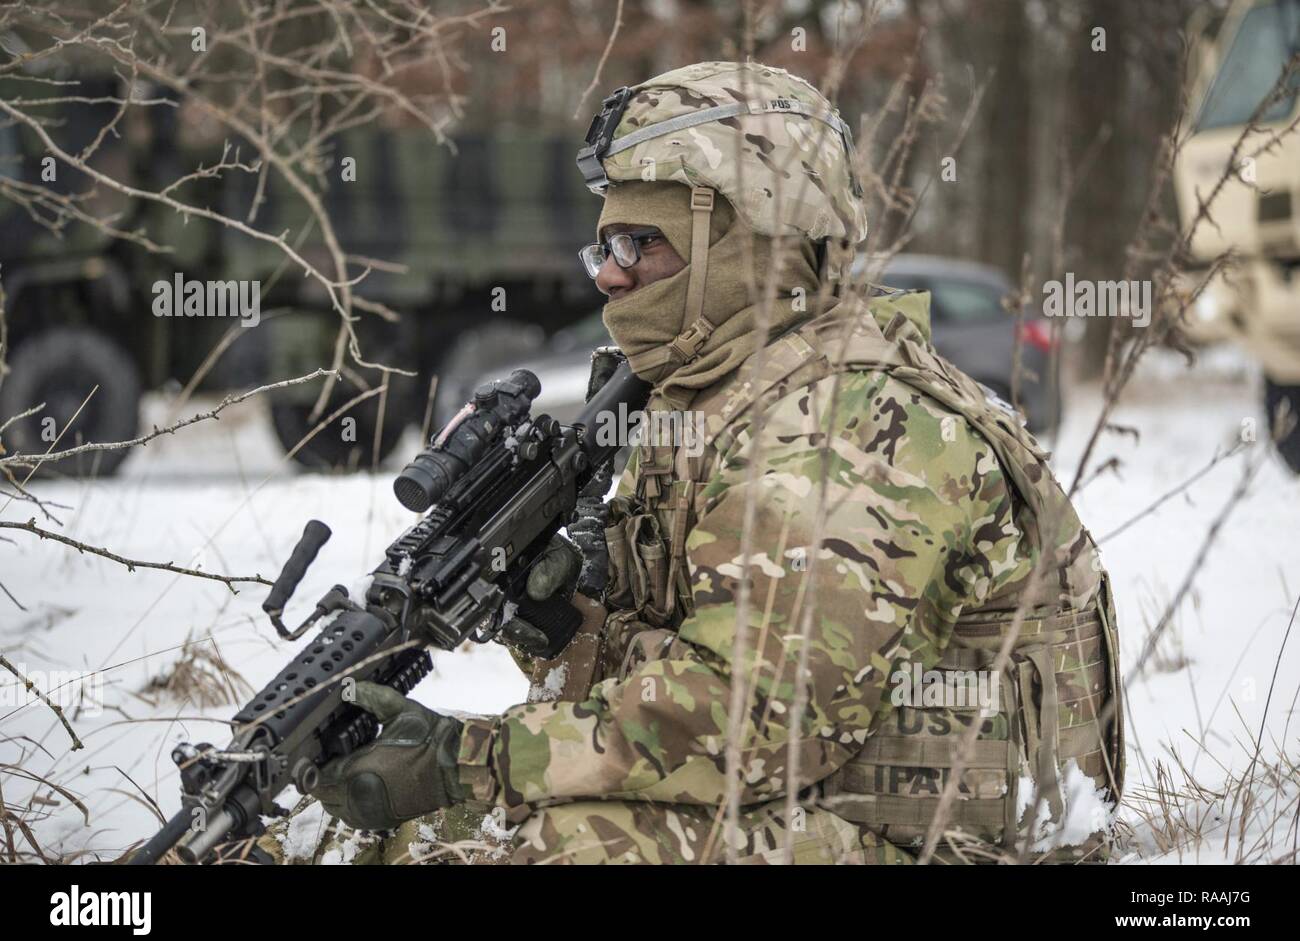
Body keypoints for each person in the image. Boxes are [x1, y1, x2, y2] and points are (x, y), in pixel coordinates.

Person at [264, 61, 1125, 865]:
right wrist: (567, 623)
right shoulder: (713, 395)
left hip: (955, 836)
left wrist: (469, 760)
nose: (609, 276)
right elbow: (703, 676)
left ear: (759, 248)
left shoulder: (843, 424)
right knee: (367, 830)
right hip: (810, 791)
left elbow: (758, 725)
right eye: (604, 247)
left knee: (557, 844)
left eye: (644, 243)